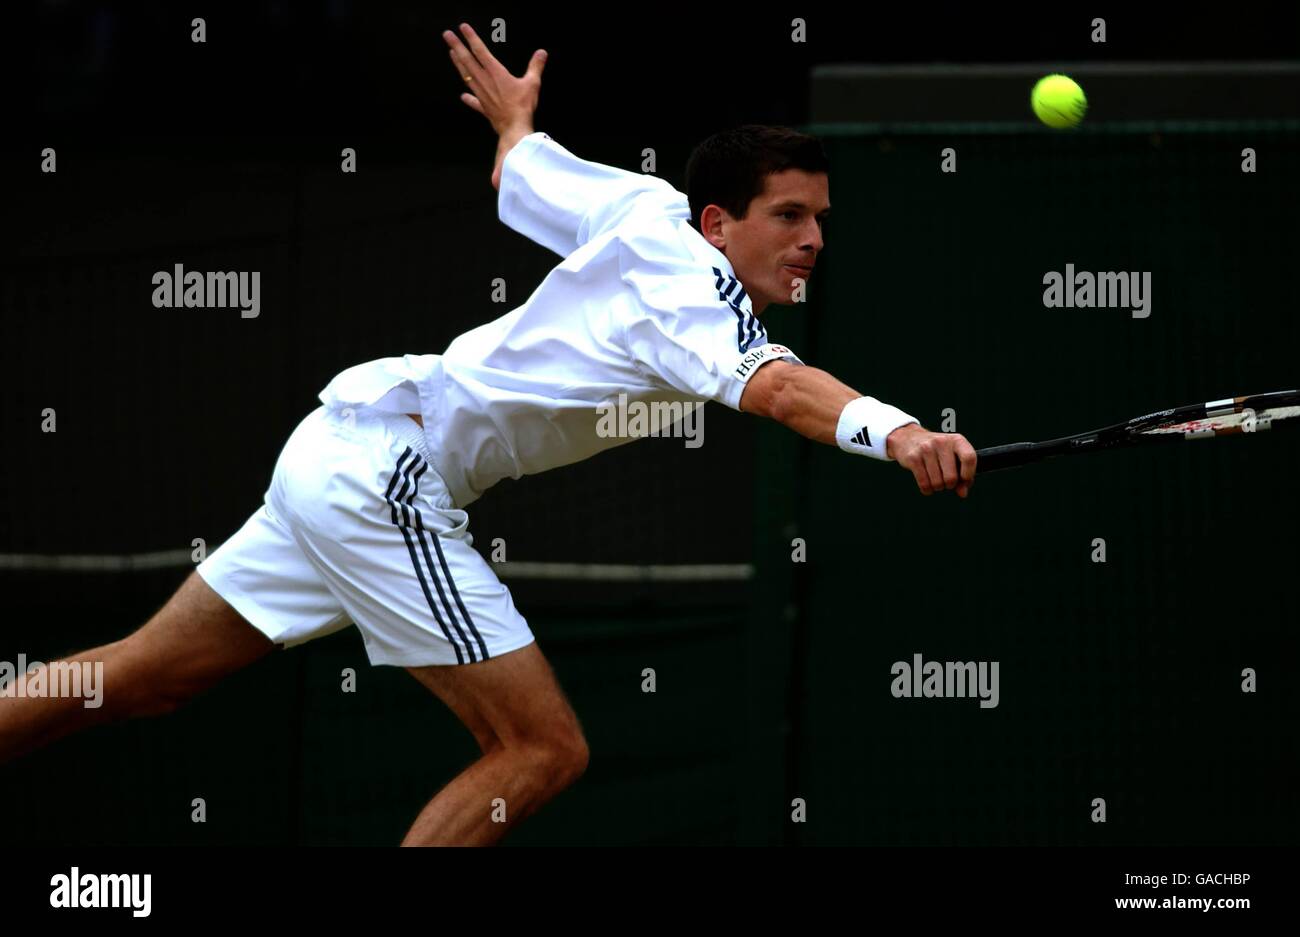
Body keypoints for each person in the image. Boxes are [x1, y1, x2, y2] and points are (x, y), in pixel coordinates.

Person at [0, 22, 976, 846]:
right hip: (386, 483)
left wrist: (514, 122)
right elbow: (779, 390)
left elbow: (523, 171)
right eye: (788, 216)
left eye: (821, 219)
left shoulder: (641, 206)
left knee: (141, 676)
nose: (811, 239)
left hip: (336, 449)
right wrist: (894, 433)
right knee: (543, 749)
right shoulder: (692, 301)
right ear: (718, 223)